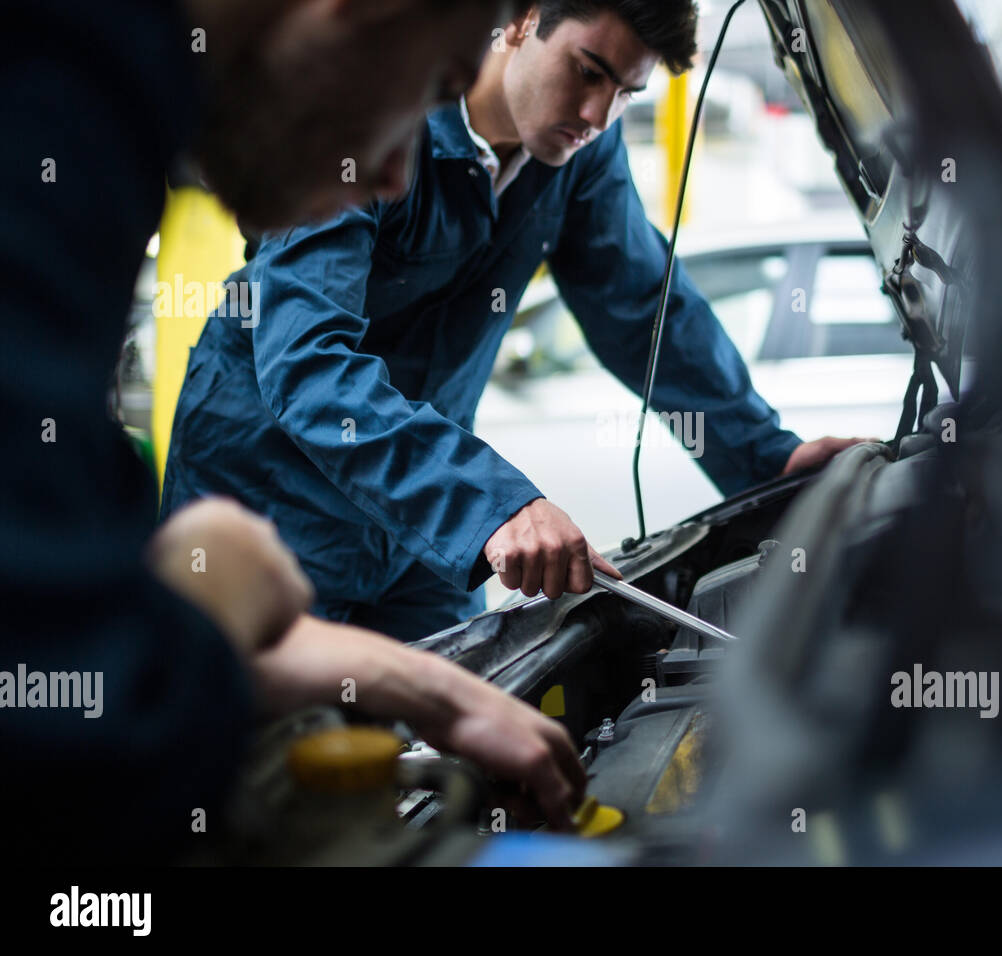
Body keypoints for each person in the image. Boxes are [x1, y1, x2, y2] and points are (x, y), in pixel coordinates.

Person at [1, 0, 586, 863]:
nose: (396, 180)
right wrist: (216, 584)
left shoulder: (116, 96)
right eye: (433, 85)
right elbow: (74, 707)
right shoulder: (57, 89)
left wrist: (439, 693)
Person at [161, 0, 865, 642]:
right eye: (587, 71)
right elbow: (308, 363)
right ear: (524, 20)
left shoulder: (577, 155)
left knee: (466, 742)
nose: (597, 114)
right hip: (266, 505)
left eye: (626, 93)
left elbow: (643, 311)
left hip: (414, 535)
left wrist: (766, 457)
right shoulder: (381, 111)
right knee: (269, 756)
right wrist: (492, 505)